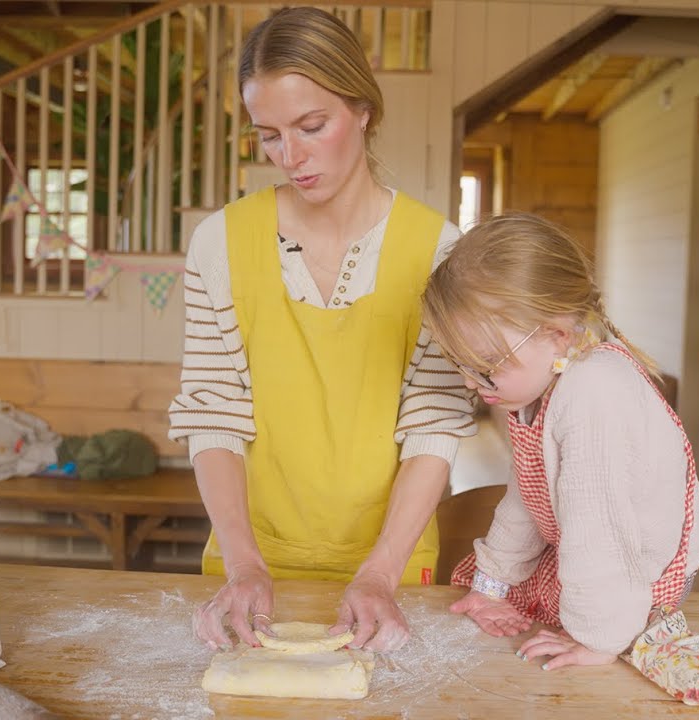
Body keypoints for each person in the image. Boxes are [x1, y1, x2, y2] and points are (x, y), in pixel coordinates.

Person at [167, 7, 475, 653]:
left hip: (392, 569)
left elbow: (433, 424)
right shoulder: (219, 243)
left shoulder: (438, 251)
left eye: (313, 125)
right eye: (270, 135)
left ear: (362, 108)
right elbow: (214, 412)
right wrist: (246, 563)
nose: (292, 156)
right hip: (252, 564)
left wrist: (381, 572)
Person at [420, 212, 699, 668]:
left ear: (557, 336)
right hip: (595, 545)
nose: (474, 382)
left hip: (641, 563)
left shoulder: (591, 394)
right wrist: (491, 586)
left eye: (487, 364)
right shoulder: (547, 379)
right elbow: (527, 500)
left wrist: (595, 641)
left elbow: (598, 531)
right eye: (462, 365)